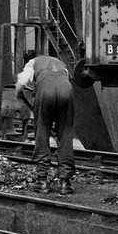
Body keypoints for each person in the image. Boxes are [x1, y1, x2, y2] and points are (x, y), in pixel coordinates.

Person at [13, 55, 75, 194]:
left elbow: (22, 81)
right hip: (66, 90)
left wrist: (18, 91)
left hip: (45, 92)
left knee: (42, 132)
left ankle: (42, 181)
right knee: (65, 133)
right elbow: (65, 79)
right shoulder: (61, 64)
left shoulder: (32, 62)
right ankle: (65, 182)